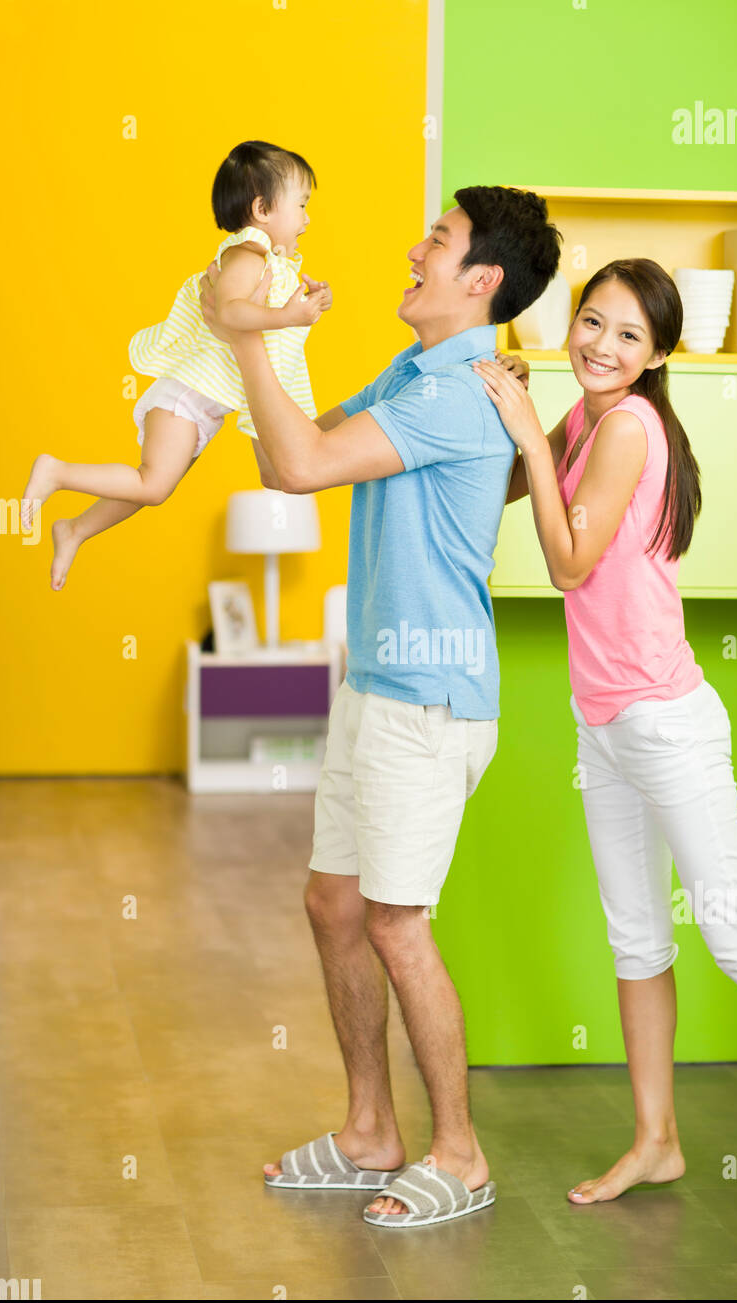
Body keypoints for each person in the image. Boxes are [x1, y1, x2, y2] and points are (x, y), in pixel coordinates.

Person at [199, 185, 561, 1228]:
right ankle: (368, 1130)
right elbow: (287, 456)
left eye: (436, 242)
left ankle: (461, 1151)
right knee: (334, 904)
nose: (413, 250)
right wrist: (254, 338)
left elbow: (305, 464)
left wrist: (244, 333)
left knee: (398, 921)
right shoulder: (417, 369)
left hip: (430, 701)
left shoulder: (459, 395)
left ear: (480, 280)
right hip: (376, 684)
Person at [472, 257, 737, 1225]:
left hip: (665, 723)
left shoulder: (629, 428)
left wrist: (524, 424)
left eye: (626, 335)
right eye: (590, 321)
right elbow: (519, 493)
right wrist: (505, 405)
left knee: (729, 925)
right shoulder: (587, 416)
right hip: (603, 720)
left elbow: (564, 562)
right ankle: (656, 1139)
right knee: (635, 936)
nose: (598, 344)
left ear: (658, 356)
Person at [22, 140, 330, 590]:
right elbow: (229, 313)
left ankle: (76, 529)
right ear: (263, 208)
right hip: (188, 393)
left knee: (151, 488)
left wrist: (311, 302)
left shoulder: (272, 261)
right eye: (301, 205)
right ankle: (57, 472)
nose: (307, 218)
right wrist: (287, 315)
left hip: (203, 404)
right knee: (152, 484)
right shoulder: (247, 252)